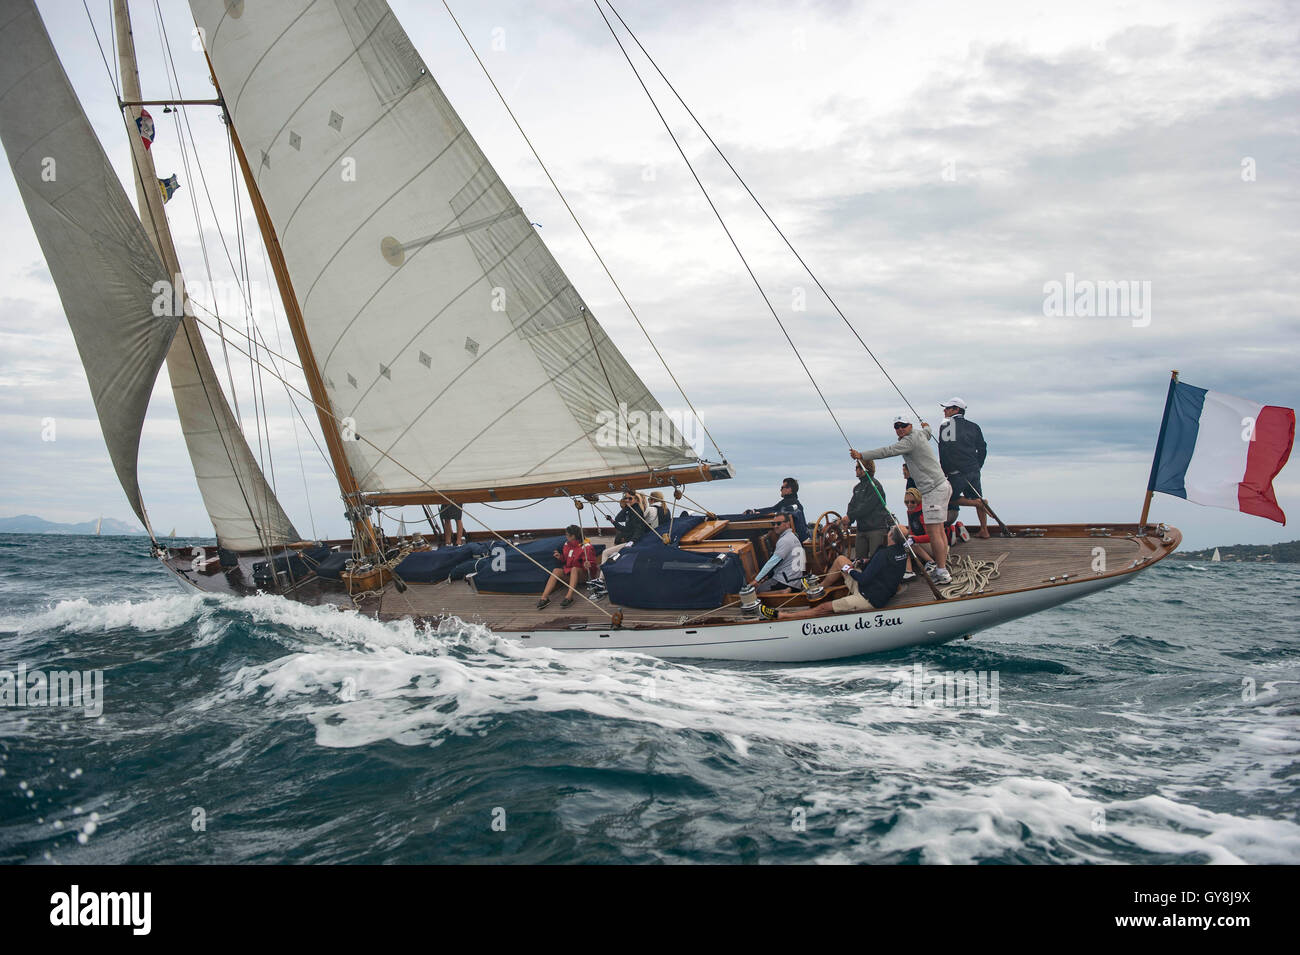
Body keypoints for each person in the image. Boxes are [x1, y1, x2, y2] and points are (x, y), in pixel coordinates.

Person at [851, 414, 953, 585]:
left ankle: (942, 572)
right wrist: (926, 425)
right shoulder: (920, 434)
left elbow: (888, 451)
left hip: (933, 489)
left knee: (934, 532)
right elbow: (928, 431)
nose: (899, 429)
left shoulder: (908, 442)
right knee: (940, 530)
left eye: (903, 425)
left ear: (910, 425)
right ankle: (941, 568)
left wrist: (862, 455)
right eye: (896, 426)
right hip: (942, 485)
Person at [762, 527, 909, 620]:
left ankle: (783, 615)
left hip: (869, 598)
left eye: (890, 531)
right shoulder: (902, 553)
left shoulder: (883, 554)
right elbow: (882, 569)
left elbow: (863, 579)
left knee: (823, 608)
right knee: (840, 559)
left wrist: (849, 570)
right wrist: (864, 562)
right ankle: (819, 589)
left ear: (890, 536)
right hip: (876, 588)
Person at [936, 397, 990, 538]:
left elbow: (944, 451)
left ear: (956, 410)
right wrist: (978, 466)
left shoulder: (947, 426)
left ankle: (977, 503)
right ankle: (984, 530)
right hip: (974, 470)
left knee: (948, 498)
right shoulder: (974, 426)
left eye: (947, 408)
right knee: (978, 495)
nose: (944, 410)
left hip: (957, 473)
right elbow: (982, 448)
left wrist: (944, 471)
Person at [537, 524, 599, 609]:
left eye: (567, 535)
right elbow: (567, 560)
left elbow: (593, 567)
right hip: (571, 575)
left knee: (574, 569)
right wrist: (560, 557)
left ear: (573, 536)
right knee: (556, 571)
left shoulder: (586, 547)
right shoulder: (567, 545)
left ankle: (569, 597)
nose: (565, 536)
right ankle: (544, 598)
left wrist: (588, 565)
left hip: (584, 576)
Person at [841, 459, 891, 562]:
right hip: (862, 530)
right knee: (859, 561)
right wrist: (848, 521)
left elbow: (867, 507)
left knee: (875, 560)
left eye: (857, 467)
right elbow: (852, 505)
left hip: (876, 529)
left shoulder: (875, 486)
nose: (855, 470)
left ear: (864, 469)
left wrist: (850, 517)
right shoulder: (857, 488)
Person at [747, 512, 805, 592]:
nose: (775, 526)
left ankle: (783, 591)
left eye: (778, 523)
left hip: (785, 581)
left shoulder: (784, 540)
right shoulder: (794, 537)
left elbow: (772, 563)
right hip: (796, 581)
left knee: (757, 591)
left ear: (787, 524)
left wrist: (756, 580)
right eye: (773, 524)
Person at [601, 491, 651, 564]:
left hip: (634, 542)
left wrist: (632, 541)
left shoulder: (636, 511)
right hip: (629, 541)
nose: (627, 500)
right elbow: (619, 520)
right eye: (625, 498)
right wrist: (612, 520)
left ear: (636, 500)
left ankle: (602, 576)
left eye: (630, 499)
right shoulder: (630, 510)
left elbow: (639, 528)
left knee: (606, 553)